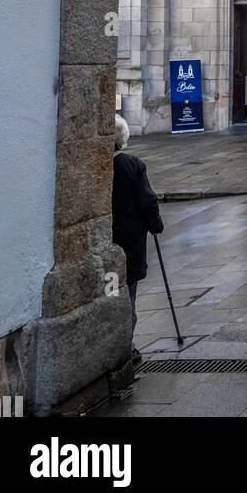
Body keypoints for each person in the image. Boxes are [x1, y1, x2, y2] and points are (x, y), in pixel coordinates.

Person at [111, 115, 164, 365]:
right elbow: (147, 200)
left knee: (110, 291)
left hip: (108, 241)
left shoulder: (96, 163)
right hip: (129, 243)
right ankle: (124, 348)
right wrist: (156, 225)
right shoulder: (132, 165)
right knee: (128, 293)